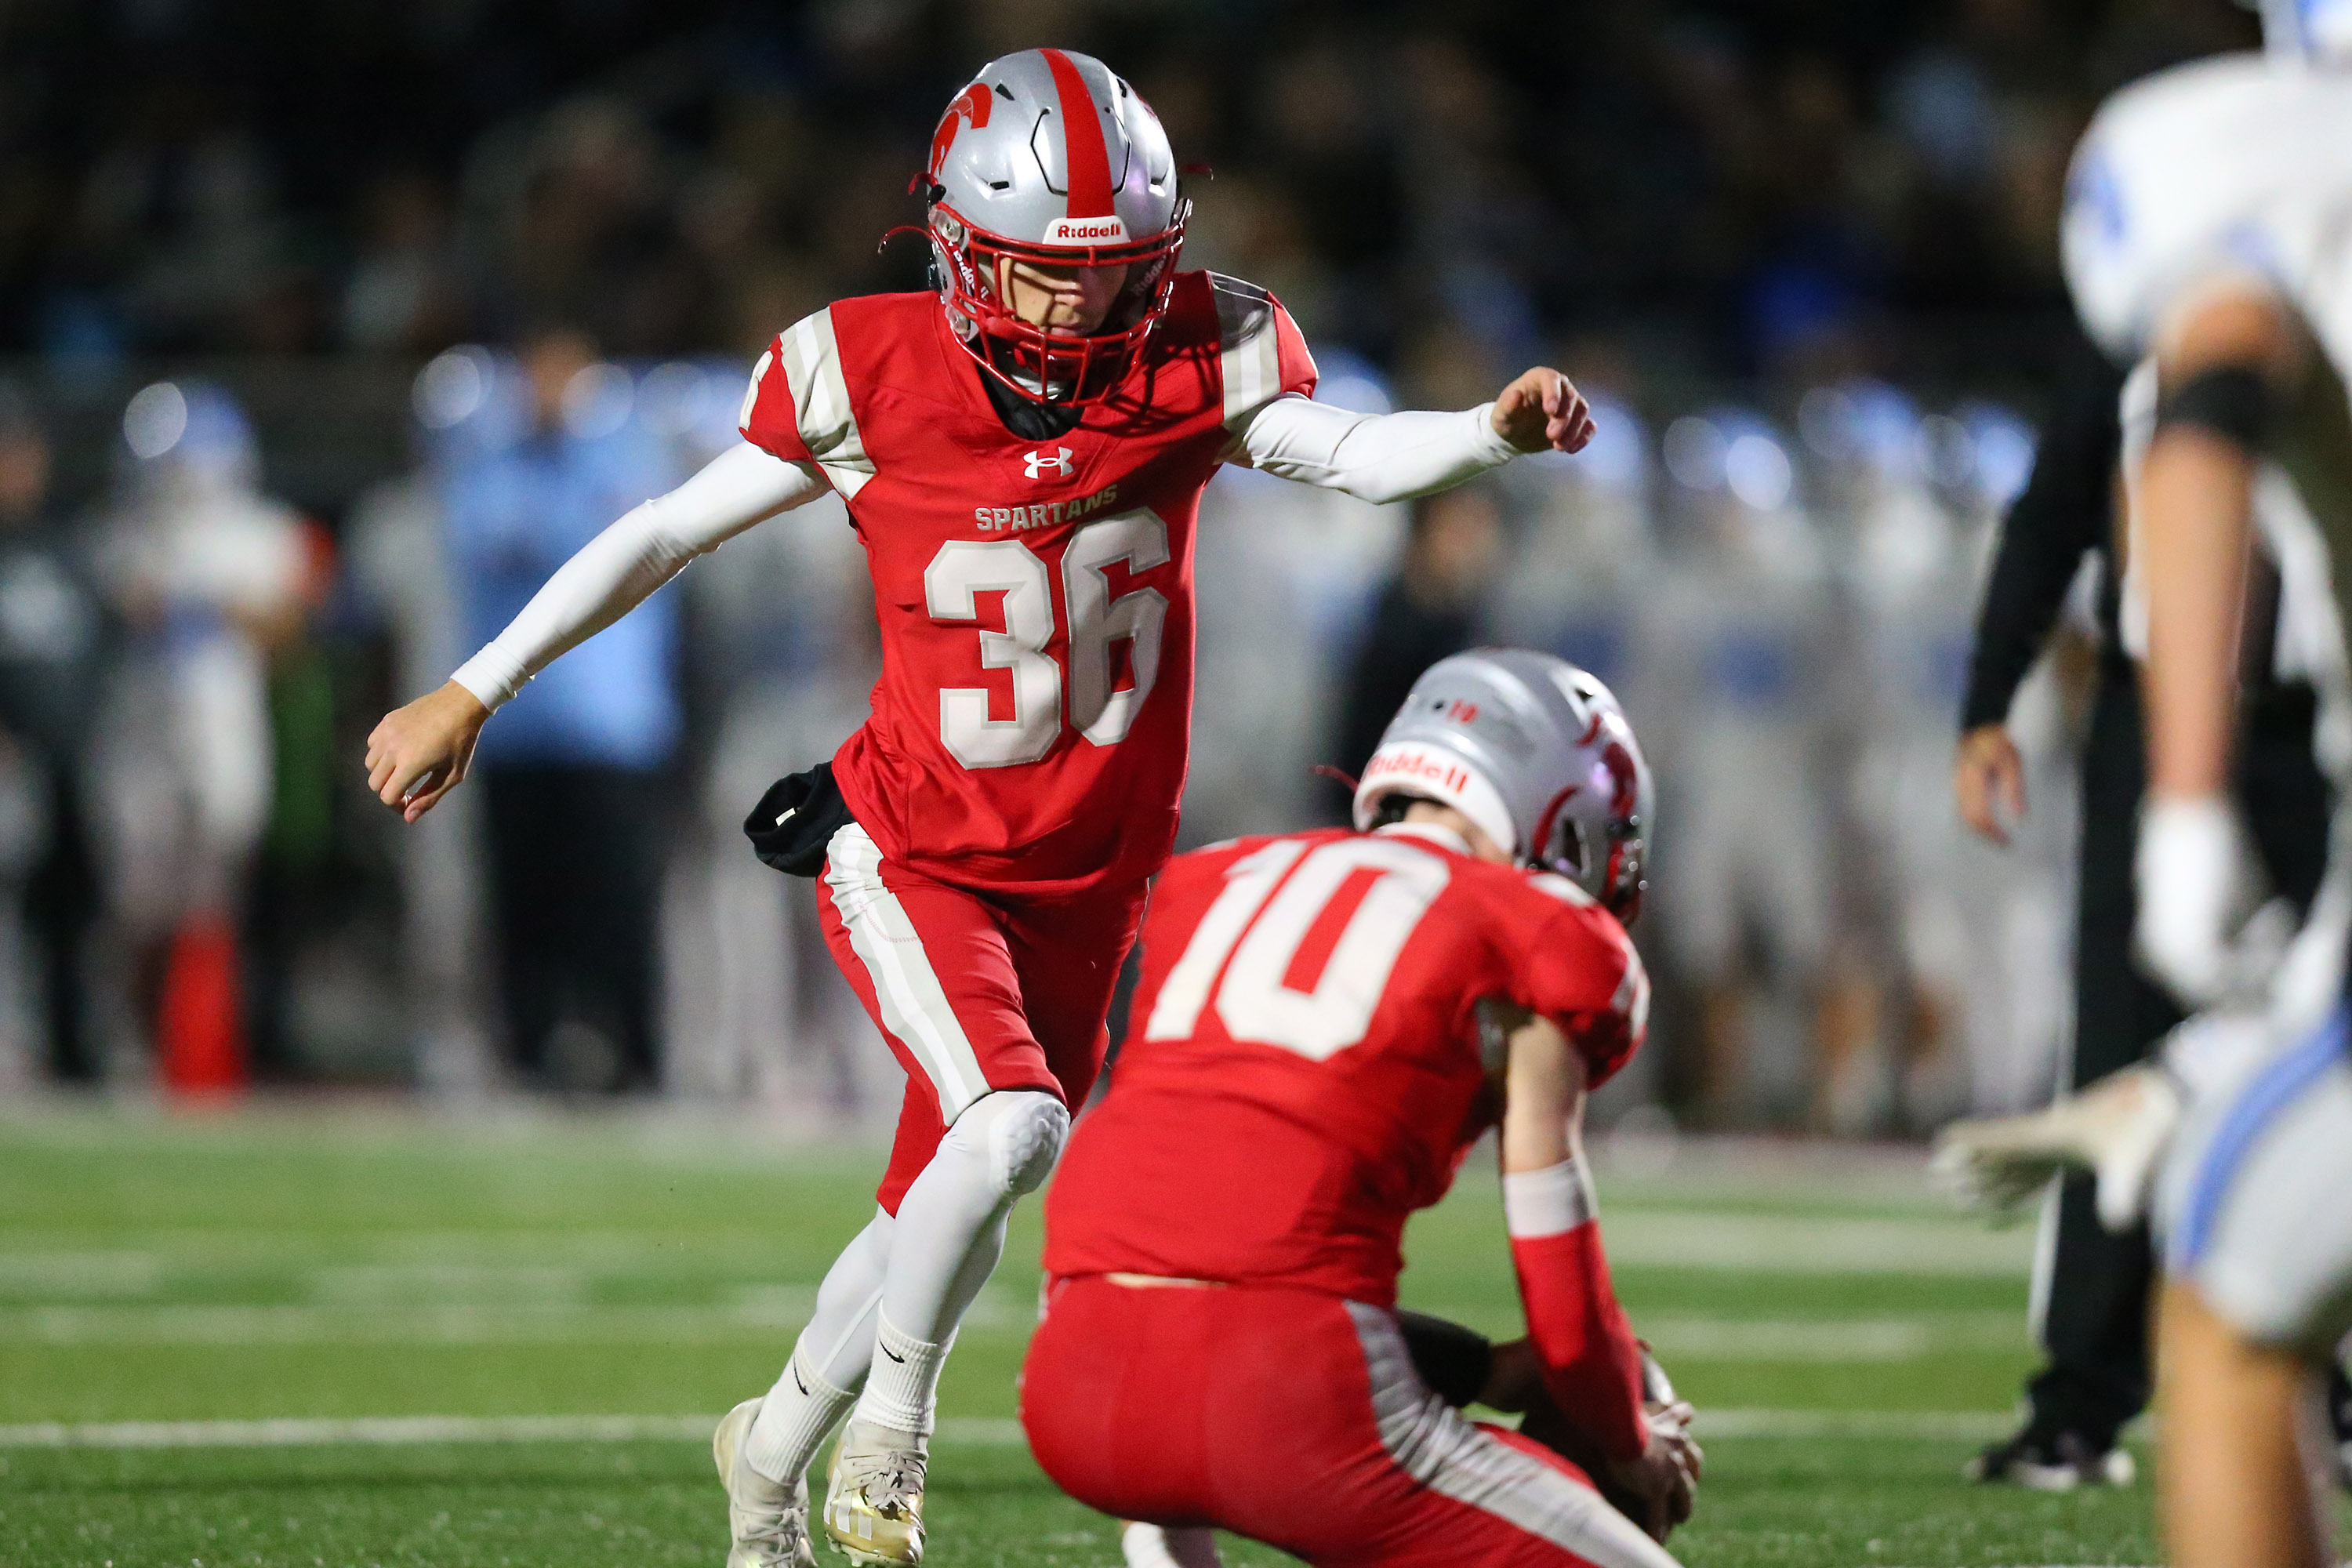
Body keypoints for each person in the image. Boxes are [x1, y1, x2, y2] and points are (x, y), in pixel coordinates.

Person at [361, 49, 1598, 1568]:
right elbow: (666, 529)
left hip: (1091, 875)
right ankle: (892, 1446)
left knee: (926, 1206)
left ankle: (764, 1463)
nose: (1079, 307)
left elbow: (1349, 455)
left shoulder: (1202, 351)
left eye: (1112, 271)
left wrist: (1486, 431)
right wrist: (472, 687)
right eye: (1042, 271)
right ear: (956, 243)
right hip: (912, 845)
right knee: (1010, 1129)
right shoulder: (866, 370)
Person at [1937, 16, 2352, 1565]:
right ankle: (2087, 1367)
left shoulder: (2236, 173)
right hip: (2244, 737)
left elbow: (2217, 398)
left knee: (2235, 1321)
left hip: (2265, 725)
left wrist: (2185, 812)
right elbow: (2066, 501)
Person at [1023, 650, 1697, 1568]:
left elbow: (1191, 1251)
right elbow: (1570, 1315)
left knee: (1196, 1290)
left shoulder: (1218, 878)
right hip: (1283, 1401)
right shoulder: (1534, 926)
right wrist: (1630, 1441)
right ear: (1563, 812)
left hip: (1074, 1379)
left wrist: (1487, 1371)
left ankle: (1168, 1542)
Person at [1950, 319, 2331, 1488]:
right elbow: (2052, 511)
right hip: (2147, 714)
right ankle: (2080, 1398)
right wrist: (1987, 702)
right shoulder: (2129, 348)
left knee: (2338, 1031)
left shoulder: (2322, 332)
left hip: (2314, 714)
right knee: (2114, 1027)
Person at [437, 326, 684, 1092]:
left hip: (613, 725)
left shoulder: (630, 451)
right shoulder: (489, 460)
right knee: (522, 902)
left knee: (619, 903)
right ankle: (526, 1052)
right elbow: (483, 536)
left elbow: (632, 545)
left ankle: (637, 1055)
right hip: (516, 728)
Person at [0, 384, 110, 1084]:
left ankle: (71, 1048)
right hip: (8, 761)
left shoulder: (65, 544)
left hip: (69, 765)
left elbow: (103, 651)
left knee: (71, 913)